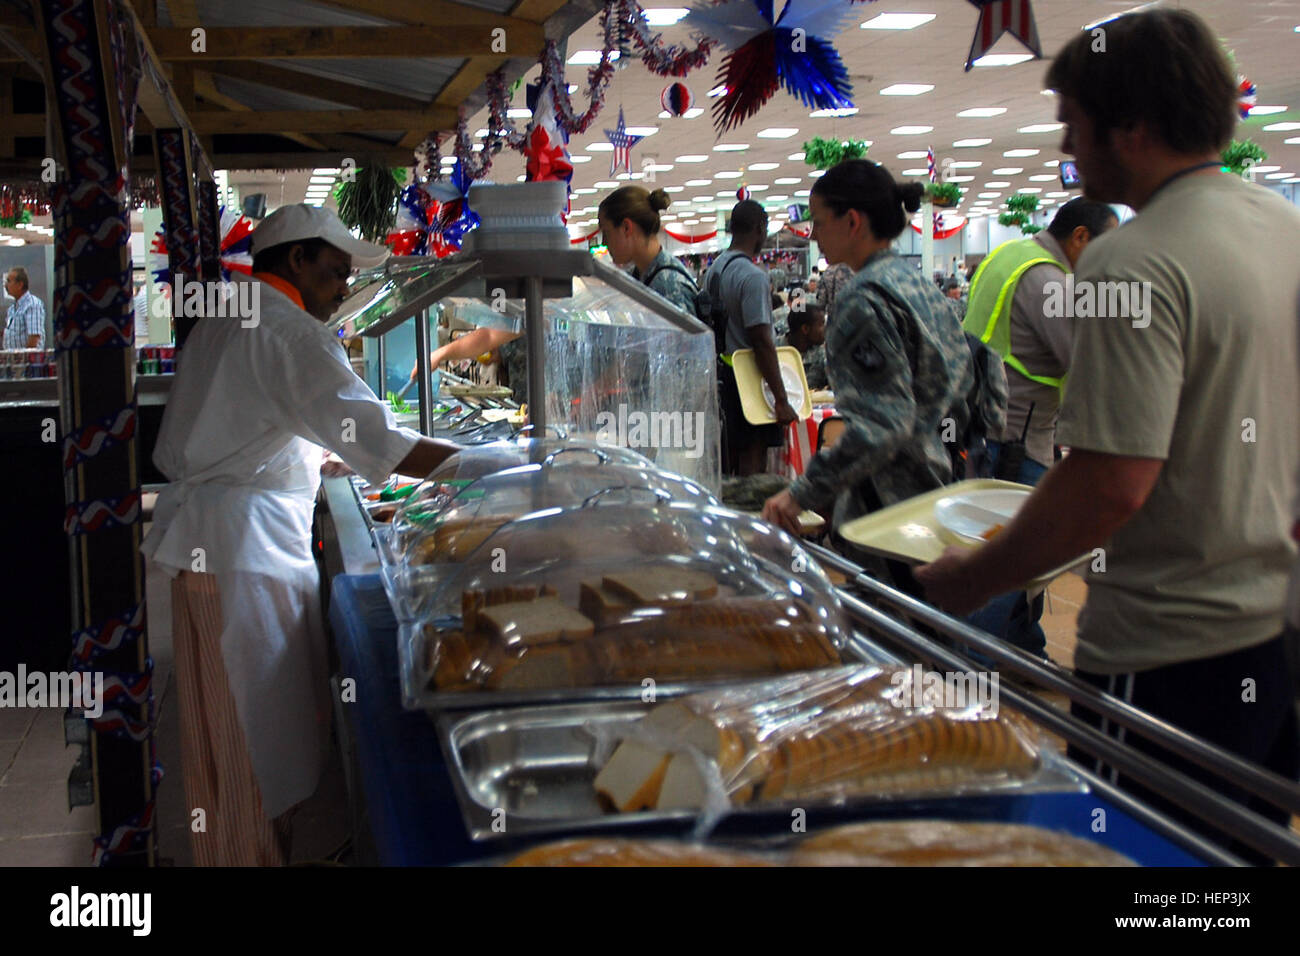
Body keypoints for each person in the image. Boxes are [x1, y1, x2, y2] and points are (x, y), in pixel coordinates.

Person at [916, 7, 1300, 862]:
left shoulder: (1132, 261)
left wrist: (972, 578)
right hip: (1272, 636)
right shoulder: (1280, 225)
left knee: (1146, 876)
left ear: (1130, 126)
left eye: (1074, 123)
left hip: (1166, 651)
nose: (1067, 146)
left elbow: (1110, 485)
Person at [143, 205, 460, 866]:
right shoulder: (288, 329)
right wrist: (493, 464)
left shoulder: (233, 313)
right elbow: (381, 438)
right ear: (296, 260)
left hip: (217, 546)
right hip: (240, 558)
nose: (342, 288)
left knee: (231, 750)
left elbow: (248, 425)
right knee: (251, 758)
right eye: (336, 271)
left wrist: (315, 455)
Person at [761, 160, 973, 596]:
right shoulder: (915, 285)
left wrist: (800, 492)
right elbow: (966, 381)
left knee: (900, 633)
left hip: (888, 503)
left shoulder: (862, 301)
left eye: (819, 221)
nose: (814, 234)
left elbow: (882, 424)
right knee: (930, 627)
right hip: (933, 480)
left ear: (852, 221)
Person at [965, 196, 1118, 485]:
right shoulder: (1051, 283)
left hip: (980, 422)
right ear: (1080, 237)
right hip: (1019, 441)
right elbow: (1087, 364)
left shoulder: (1008, 254)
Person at [704, 200, 796, 475]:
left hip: (723, 380)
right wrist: (780, 398)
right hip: (750, 384)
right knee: (753, 468)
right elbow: (761, 341)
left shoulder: (715, 270)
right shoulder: (753, 277)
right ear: (760, 228)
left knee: (730, 466)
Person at [597, 185, 700, 315]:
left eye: (606, 232)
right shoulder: (640, 275)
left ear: (626, 228)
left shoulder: (668, 287)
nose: (604, 243)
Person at [777, 300, 828, 390]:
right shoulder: (775, 350)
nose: (825, 329)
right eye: (821, 324)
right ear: (805, 329)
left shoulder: (821, 353)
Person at [4, 267, 44, 349]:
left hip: (28, 360)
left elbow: (34, 338)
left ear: (20, 285)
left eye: (8, 281)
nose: (5, 285)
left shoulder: (32, 304)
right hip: (12, 360)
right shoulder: (11, 309)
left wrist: (26, 359)